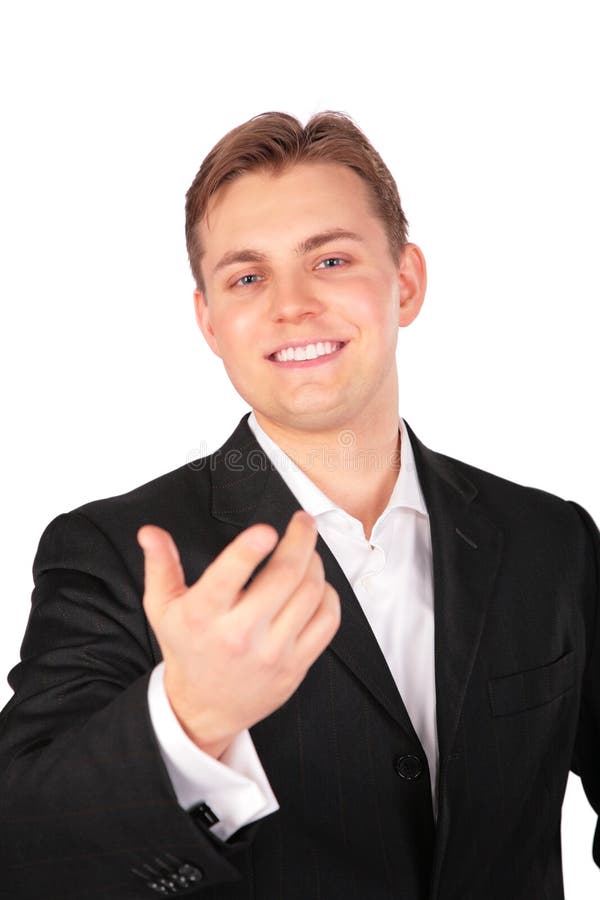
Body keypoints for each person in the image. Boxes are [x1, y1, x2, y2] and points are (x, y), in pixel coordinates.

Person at [1, 110, 598, 900]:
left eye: (331, 259)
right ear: (210, 321)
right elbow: (26, 855)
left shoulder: (550, 540)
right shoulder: (111, 553)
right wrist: (188, 718)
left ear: (406, 281)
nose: (292, 304)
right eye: (247, 277)